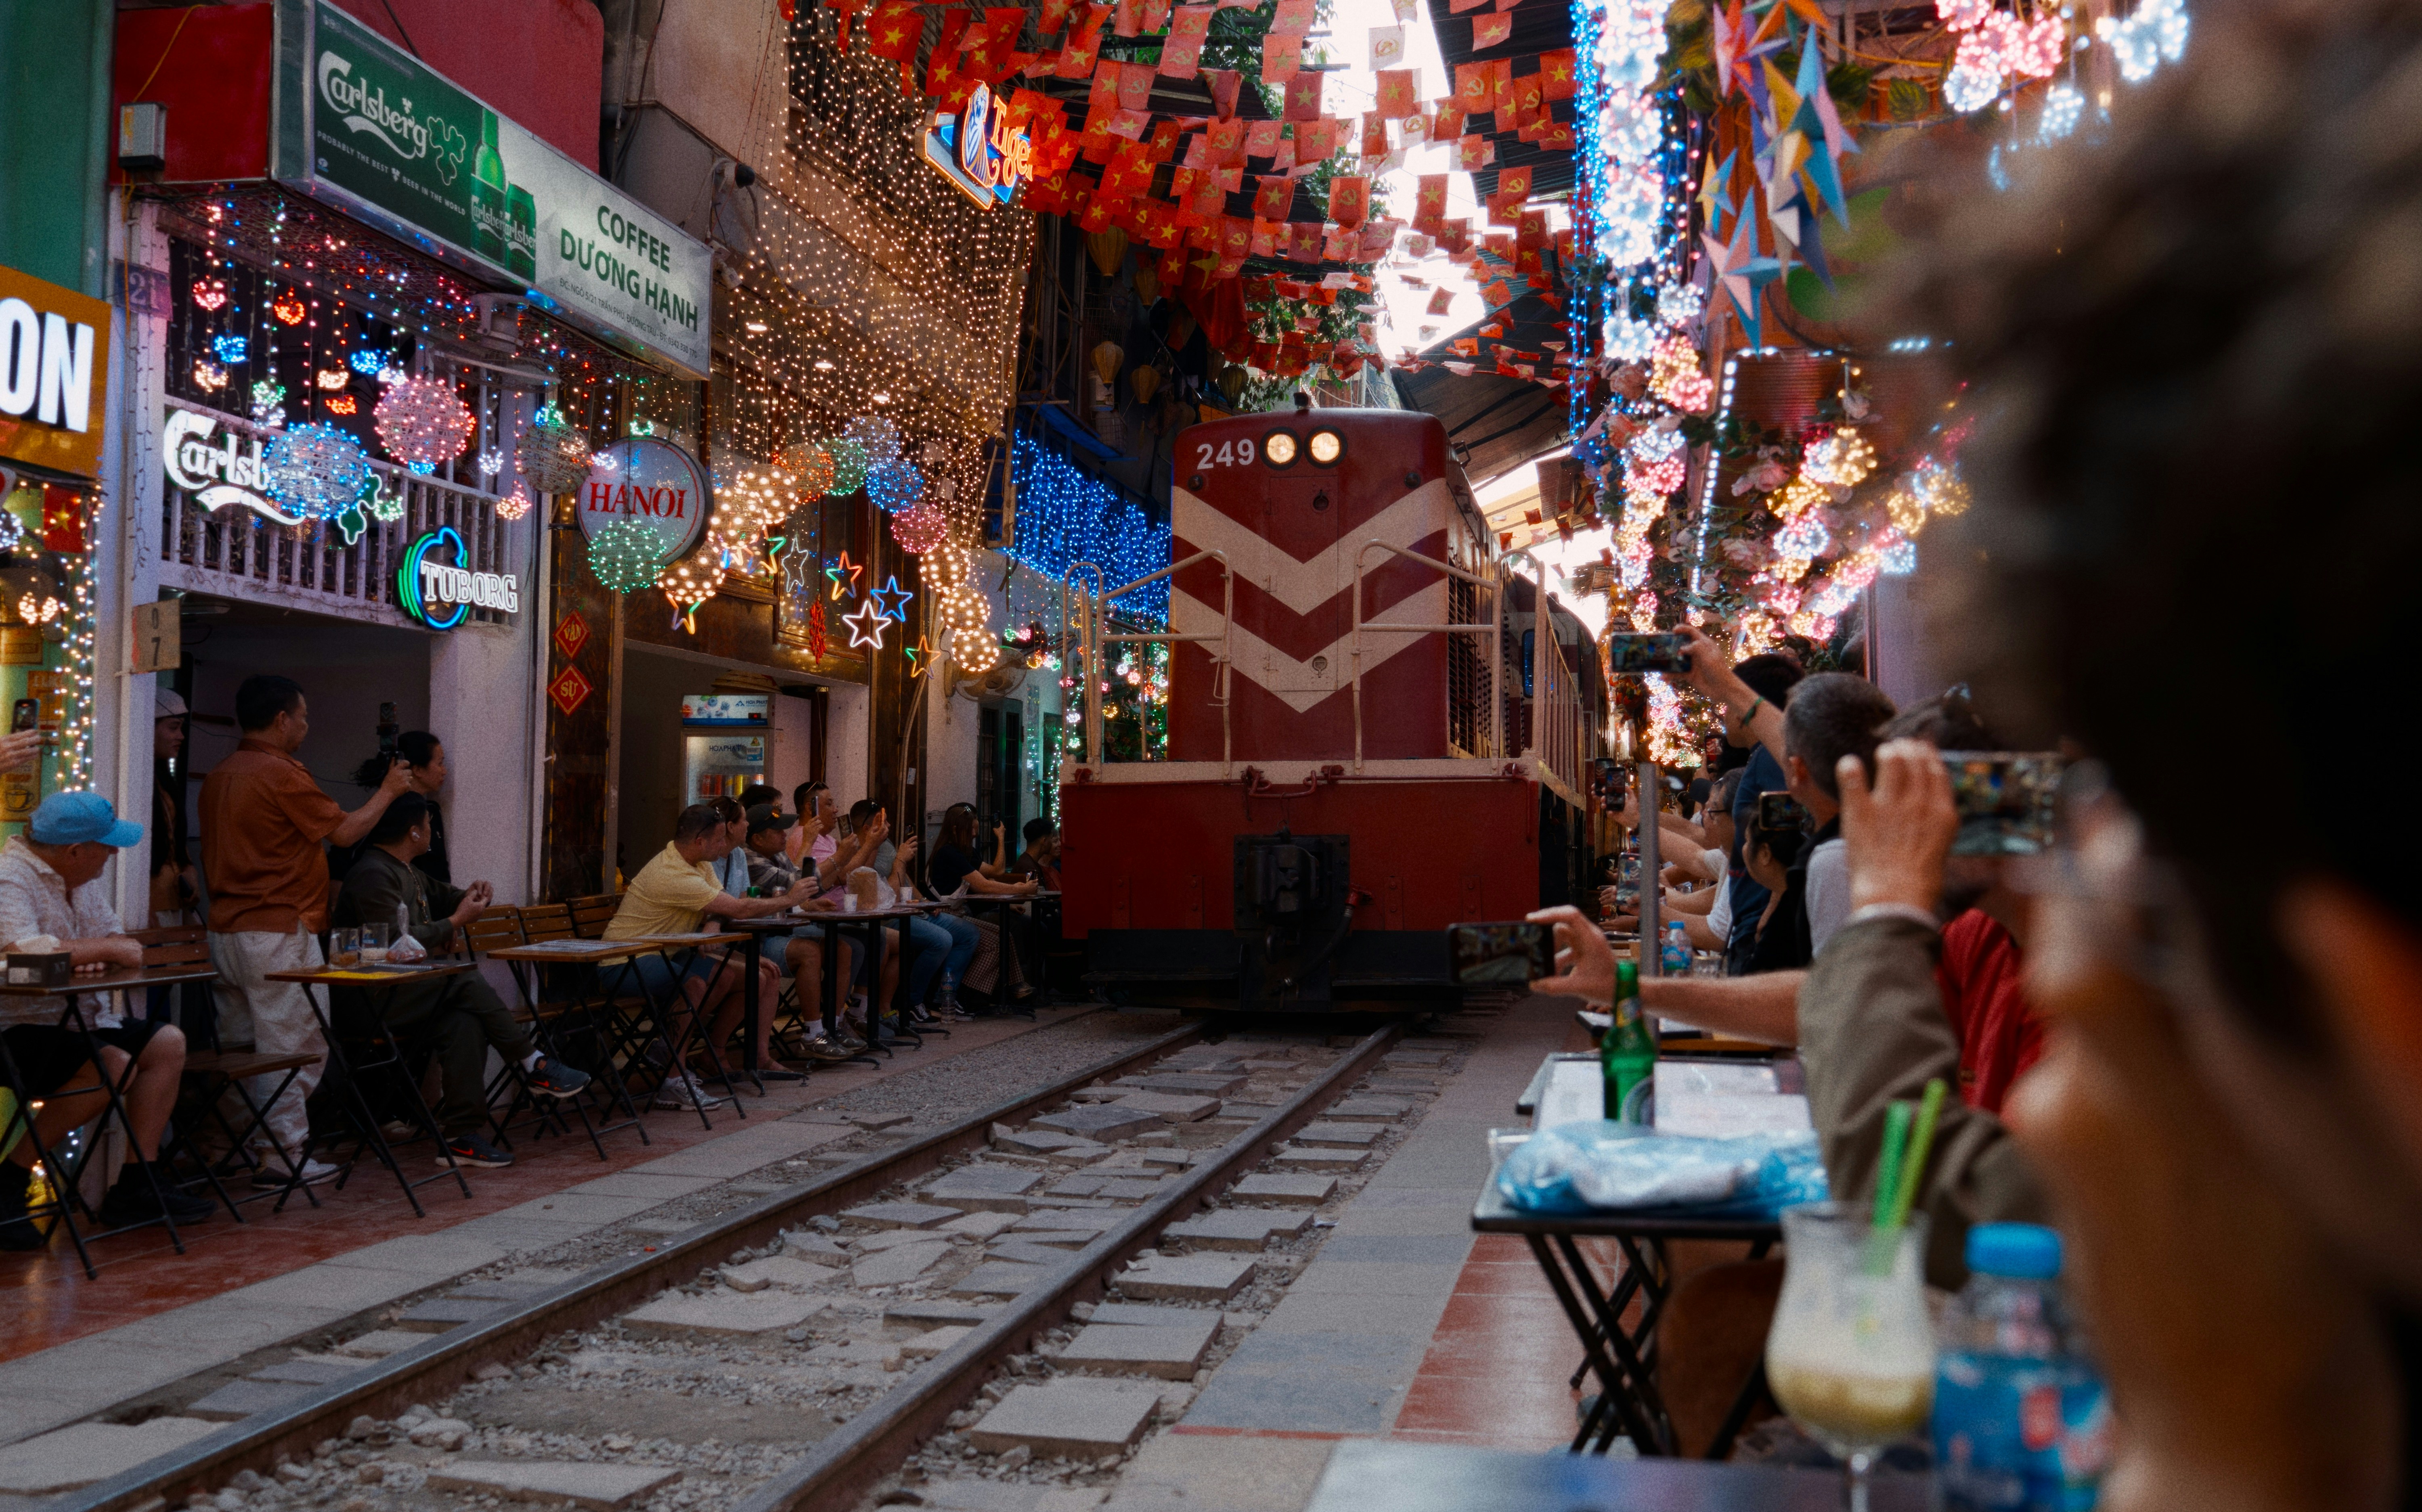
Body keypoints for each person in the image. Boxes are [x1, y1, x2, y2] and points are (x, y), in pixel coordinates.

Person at [201, 675, 415, 1186]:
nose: (305, 725)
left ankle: (236, 1143)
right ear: (281, 720)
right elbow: (343, 831)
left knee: (240, 1045)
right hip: (277, 927)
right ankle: (282, 1153)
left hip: (225, 929)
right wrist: (387, 791)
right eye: (302, 716)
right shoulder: (279, 774)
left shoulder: (221, 774)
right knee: (290, 1041)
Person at [1, 792, 216, 1244]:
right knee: (114, 1064)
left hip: (77, 1018)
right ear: (75, 850)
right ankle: (10, 1178)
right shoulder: (10, 878)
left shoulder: (76, 878)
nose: (115, 854)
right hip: (16, 1026)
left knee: (167, 1042)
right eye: (107, 845)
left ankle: (139, 1180)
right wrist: (97, 951)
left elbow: (119, 939)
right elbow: (21, 960)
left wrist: (89, 952)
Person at [331, 794, 591, 1166]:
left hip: (401, 991)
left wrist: (473, 897)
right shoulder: (374, 873)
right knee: (463, 981)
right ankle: (533, 1062)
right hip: (368, 996)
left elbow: (446, 897)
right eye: (429, 825)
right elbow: (392, 944)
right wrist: (454, 924)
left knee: (463, 1021)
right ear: (414, 832)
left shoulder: (407, 870)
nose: (433, 832)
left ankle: (460, 1136)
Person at [602, 803, 823, 1109]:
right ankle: (673, 1078)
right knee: (694, 984)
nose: (726, 846)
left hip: (668, 951)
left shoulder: (699, 862)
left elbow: (722, 906)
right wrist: (789, 899)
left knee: (738, 975)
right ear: (700, 843)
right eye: (720, 840)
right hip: (625, 957)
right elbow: (738, 908)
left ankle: (679, 1048)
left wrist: (727, 938)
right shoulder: (672, 873)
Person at [738, 804, 860, 1058]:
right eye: (778, 830)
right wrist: (840, 858)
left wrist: (807, 903)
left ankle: (834, 1026)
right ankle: (812, 1034)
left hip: (782, 930)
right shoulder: (750, 859)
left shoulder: (779, 854)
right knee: (810, 952)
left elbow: (802, 889)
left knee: (842, 949)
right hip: (755, 940)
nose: (785, 834)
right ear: (757, 839)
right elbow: (796, 883)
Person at [345, 732, 452, 885]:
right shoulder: (388, 809)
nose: (445, 771)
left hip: (435, 903)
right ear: (418, 770)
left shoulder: (432, 810)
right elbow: (346, 853)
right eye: (440, 763)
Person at [151, 688, 197, 926]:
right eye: (173, 727)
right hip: (151, 905)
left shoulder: (164, 779)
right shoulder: (133, 783)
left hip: (175, 900)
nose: (181, 736)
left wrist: (188, 867)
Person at [1006, 818, 1061, 891]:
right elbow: (1031, 899)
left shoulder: (1030, 863)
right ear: (1044, 841)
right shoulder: (1028, 867)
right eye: (1051, 839)